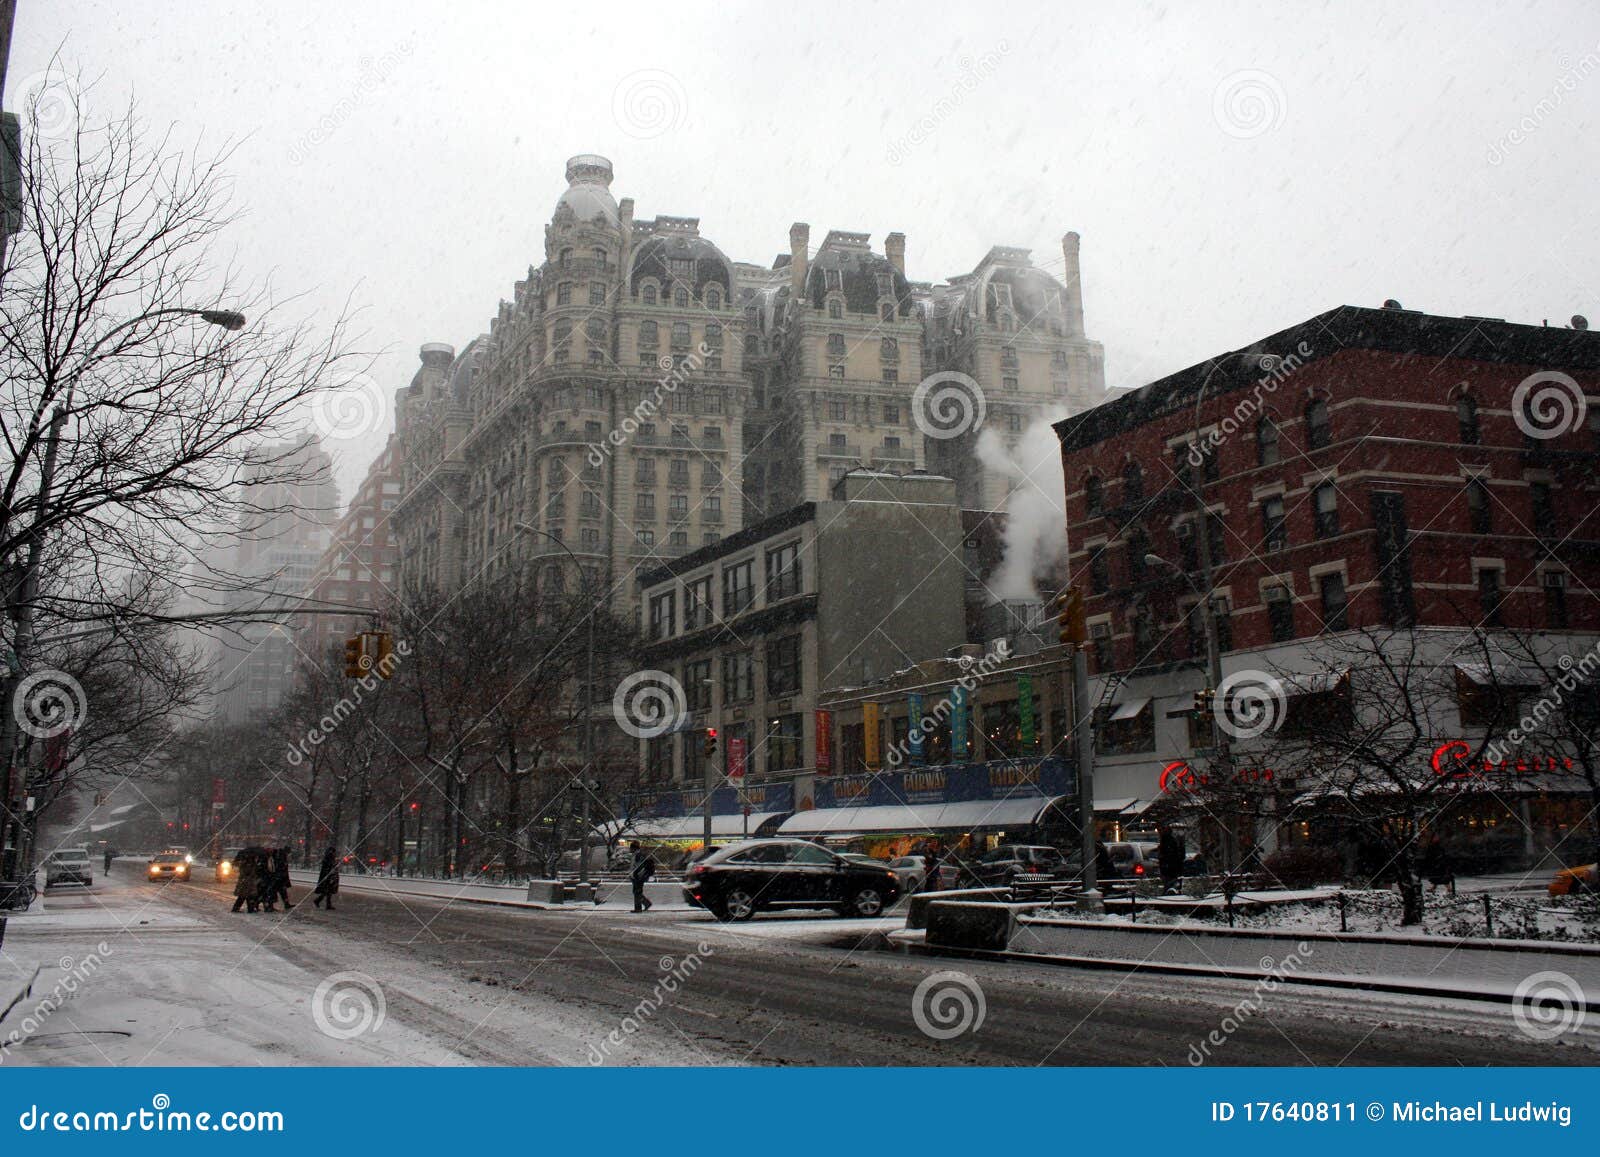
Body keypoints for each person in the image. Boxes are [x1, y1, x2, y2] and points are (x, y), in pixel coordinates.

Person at [1157, 824, 1186, 895]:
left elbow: (1166, 854)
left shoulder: (1166, 841)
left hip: (1169, 867)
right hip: (1173, 867)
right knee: (1172, 882)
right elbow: (1180, 855)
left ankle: (1168, 892)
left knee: (1168, 883)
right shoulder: (1173, 841)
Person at [231, 847, 261, 913]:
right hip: (247, 882)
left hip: (246, 882)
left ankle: (249, 908)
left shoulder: (247, 862)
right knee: (245, 896)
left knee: (246, 896)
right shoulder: (248, 863)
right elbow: (248, 872)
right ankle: (247, 909)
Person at [629, 841, 656, 912]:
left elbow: (638, 867)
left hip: (639, 876)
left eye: (631, 848)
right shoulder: (636, 855)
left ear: (634, 848)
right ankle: (646, 904)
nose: (630, 849)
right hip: (637, 876)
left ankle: (638, 908)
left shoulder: (638, 855)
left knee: (637, 892)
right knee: (637, 892)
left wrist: (636, 875)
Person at [312, 845, 340, 910]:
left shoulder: (328, 858)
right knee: (328, 891)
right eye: (334, 852)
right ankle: (320, 902)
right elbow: (330, 867)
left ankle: (323, 903)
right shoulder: (329, 858)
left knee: (328, 891)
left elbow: (331, 867)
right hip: (329, 877)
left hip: (329, 877)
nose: (335, 854)